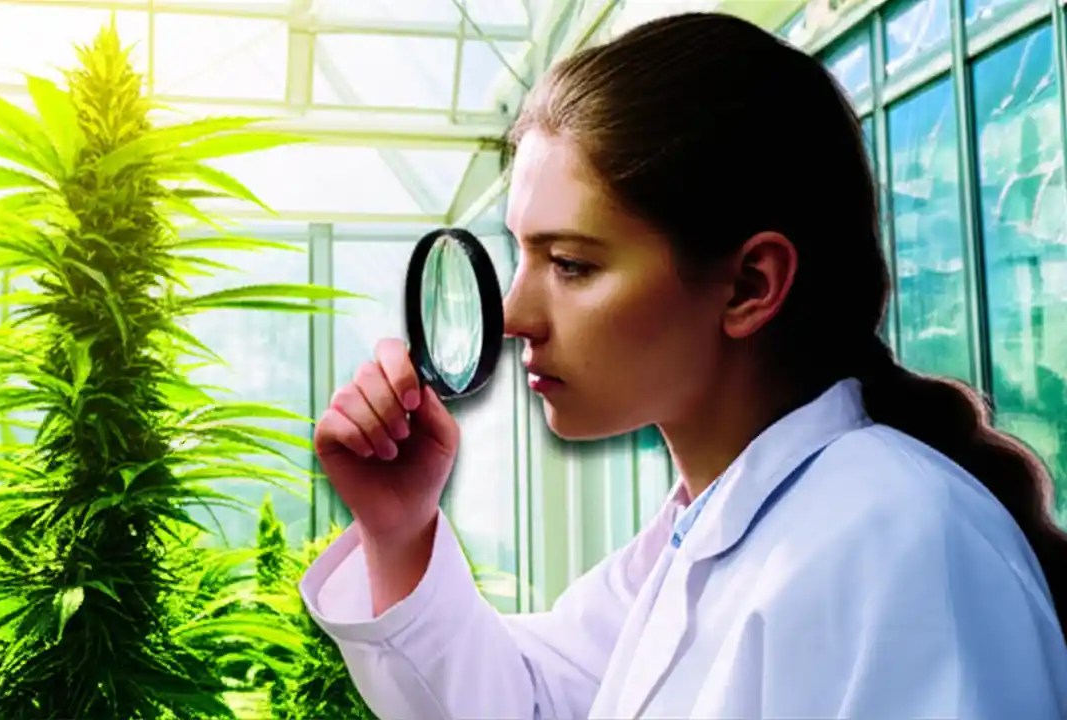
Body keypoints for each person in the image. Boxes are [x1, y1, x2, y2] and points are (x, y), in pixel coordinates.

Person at [302, 12, 1067, 719]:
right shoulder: (698, 539)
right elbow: (526, 703)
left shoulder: (904, 545)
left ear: (749, 286)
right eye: (522, 253)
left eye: (569, 264)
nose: (512, 316)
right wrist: (399, 530)